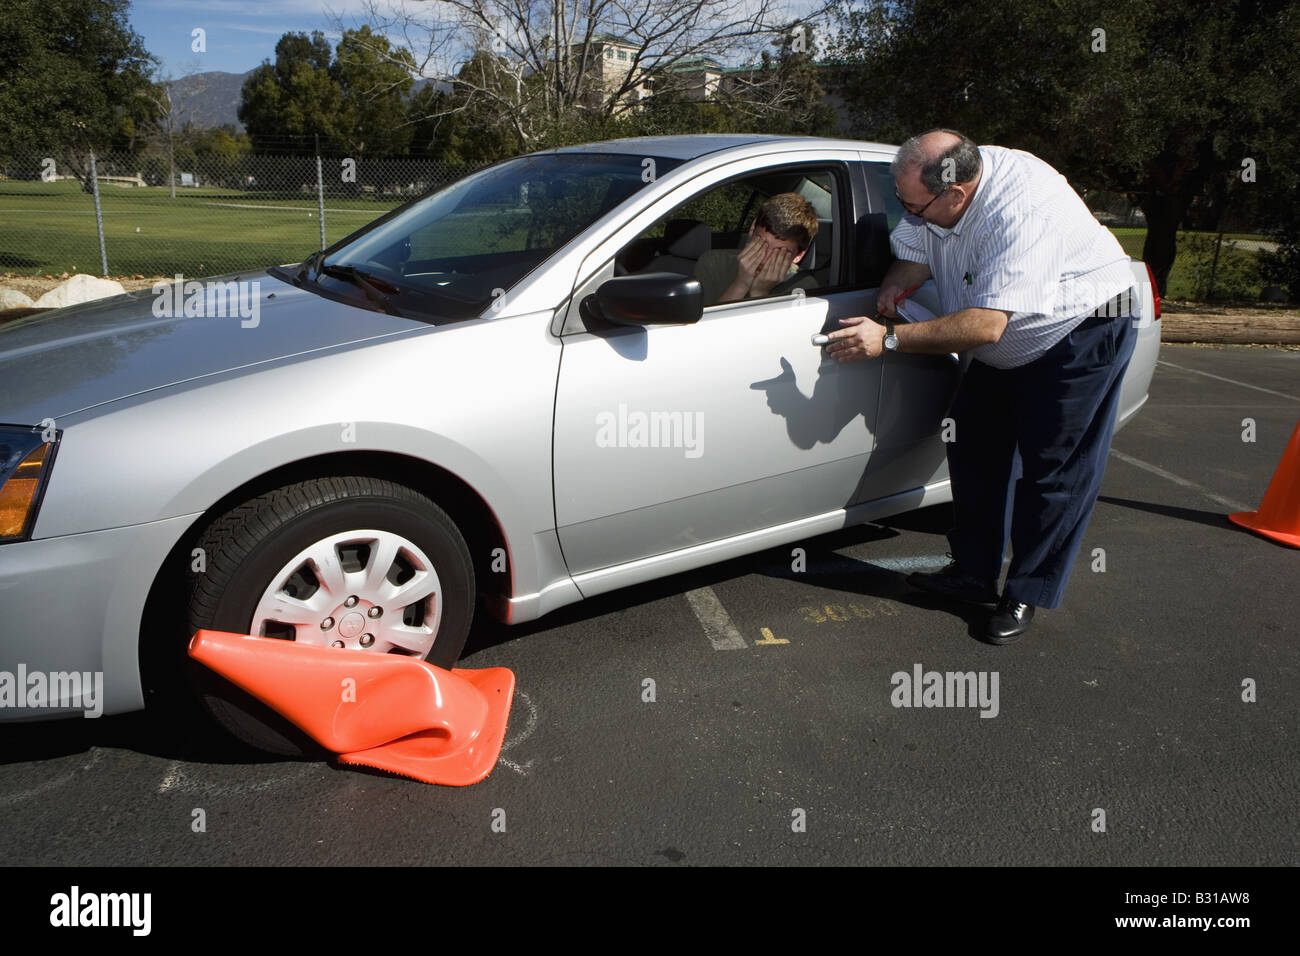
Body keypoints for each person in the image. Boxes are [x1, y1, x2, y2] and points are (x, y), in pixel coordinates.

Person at [825, 129, 1138, 644]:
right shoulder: (940, 187)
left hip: (1078, 331)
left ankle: (1027, 591)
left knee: (1054, 469)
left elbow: (987, 325)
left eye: (913, 203)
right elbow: (918, 247)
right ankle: (972, 574)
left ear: (956, 194)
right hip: (1003, 341)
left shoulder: (1020, 213)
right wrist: (895, 282)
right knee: (971, 445)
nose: (906, 210)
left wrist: (890, 339)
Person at [694, 193, 819, 305]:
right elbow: (706, 326)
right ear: (752, 229)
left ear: (799, 256)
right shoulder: (713, 262)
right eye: (762, 243)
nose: (765, 257)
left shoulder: (804, 286)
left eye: (779, 252)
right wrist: (741, 283)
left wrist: (760, 292)